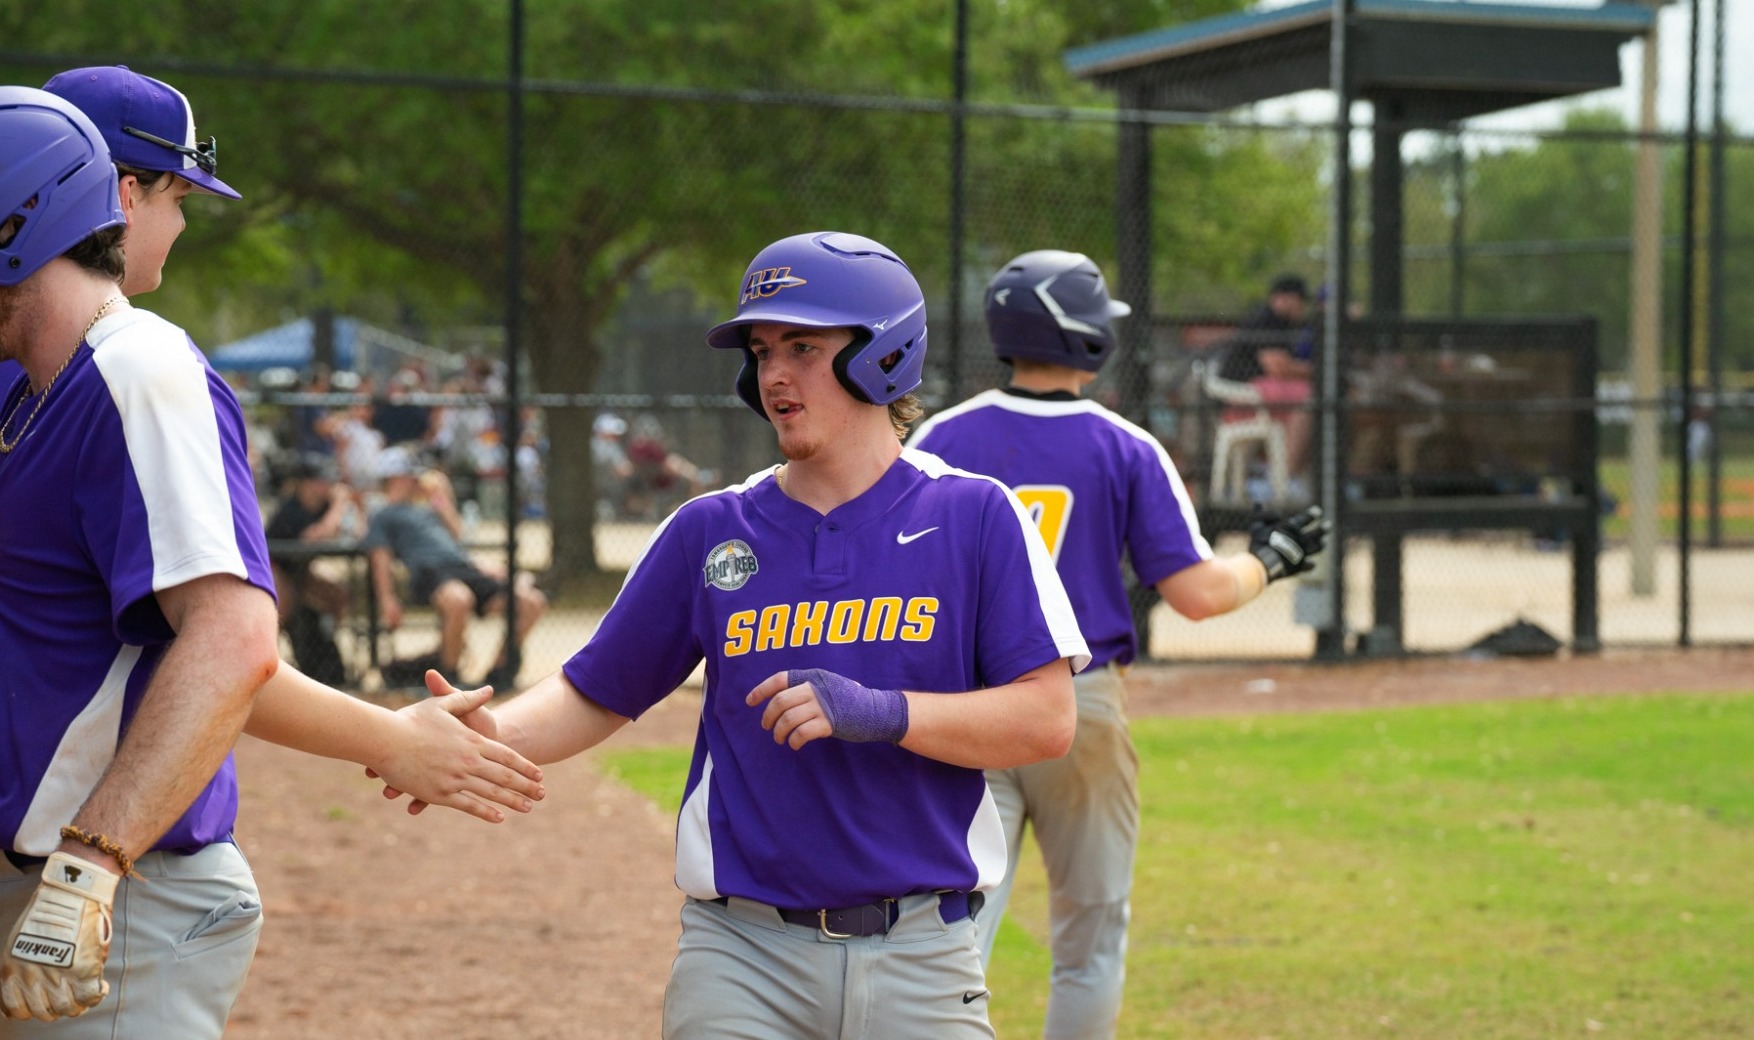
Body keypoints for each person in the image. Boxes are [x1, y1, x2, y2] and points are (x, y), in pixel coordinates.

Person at [407, 231, 1090, 1039]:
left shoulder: (975, 516)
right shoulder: (711, 530)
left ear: (885, 354)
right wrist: (481, 736)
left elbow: (1046, 719)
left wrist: (885, 712)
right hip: (741, 956)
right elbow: (597, 690)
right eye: (762, 350)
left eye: (803, 346)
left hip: (924, 954)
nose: (774, 374)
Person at [1, 81, 544, 1035]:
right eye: (177, 194)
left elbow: (227, 641)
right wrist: (388, 737)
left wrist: (90, 866)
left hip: (120, 888)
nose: (177, 225)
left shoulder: (138, 370)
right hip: (63, 876)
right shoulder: (35, 385)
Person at [908, 249, 1331, 1039]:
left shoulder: (939, 436)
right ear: (1081, 335)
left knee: (947, 942)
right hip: (1079, 702)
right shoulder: (1124, 445)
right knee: (1090, 940)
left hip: (965, 710)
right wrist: (1267, 559)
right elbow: (1199, 595)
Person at [362, 446, 547, 692]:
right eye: (411, 475)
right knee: (459, 600)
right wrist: (387, 599)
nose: (417, 481)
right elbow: (380, 558)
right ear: (395, 477)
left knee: (531, 602)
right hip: (431, 572)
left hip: (463, 566)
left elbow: (458, 534)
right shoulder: (383, 515)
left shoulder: (429, 508)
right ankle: (449, 681)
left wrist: (442, 497)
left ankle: (497, 674)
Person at [265, 452, 360, 686]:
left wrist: (354, 506)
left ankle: (326, 642)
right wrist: (339, 505)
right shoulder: (291, 508)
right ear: (305, 484)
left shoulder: (324, 505)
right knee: (281, 611)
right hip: (276, 565)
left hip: (302, 568)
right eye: (320, 480)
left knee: (338, 593)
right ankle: (268, 668)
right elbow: (313, 538)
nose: (327, 485)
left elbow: (355, 532)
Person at [1217, 272, 1315, 491]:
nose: (1302, 307)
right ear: (1286, 298)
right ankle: (1287, 478)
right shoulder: (1266, 318)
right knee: (1309, 397)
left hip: (1261, 391)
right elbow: (1278, 367)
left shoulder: (1287, 325)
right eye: (1300, 300)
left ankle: (1289, 475)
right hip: (1241, 392)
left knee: (1315, 399)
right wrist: (1320, 370)